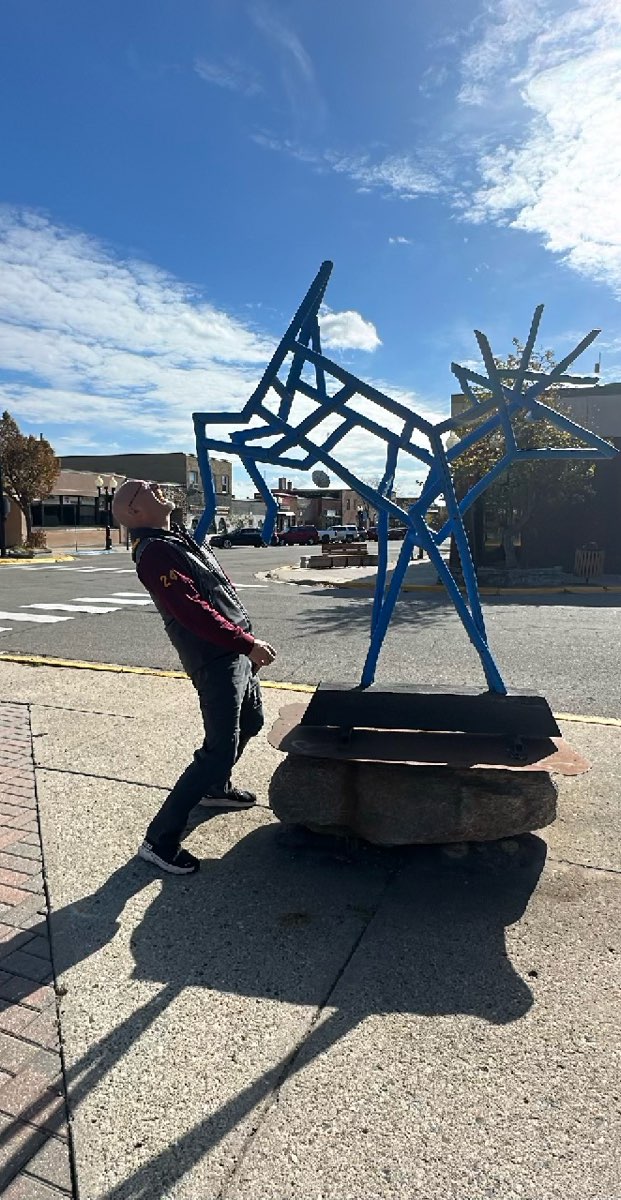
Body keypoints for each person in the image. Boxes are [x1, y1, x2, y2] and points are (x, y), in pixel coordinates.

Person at [112, 479, 276, 876]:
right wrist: (246, 642)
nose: (155, 487)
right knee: (217, 749)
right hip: (214, 656)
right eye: (144, 488)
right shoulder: (153, 553)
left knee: (251, 721)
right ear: (134, 512)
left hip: (232, 649)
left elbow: (218, 590)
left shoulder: (175, 536)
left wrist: (244, 643)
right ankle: (159, 841)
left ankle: (215, 788)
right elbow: (193, 611)